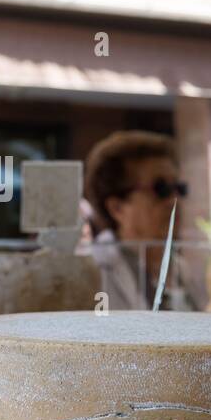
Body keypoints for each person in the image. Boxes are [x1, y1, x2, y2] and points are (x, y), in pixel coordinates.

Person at [83, 130, 189, 310]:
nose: (174, 200)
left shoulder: (181, 269)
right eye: (161, 189)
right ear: (117, 208)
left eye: (179, 188)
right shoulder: (94, 274)